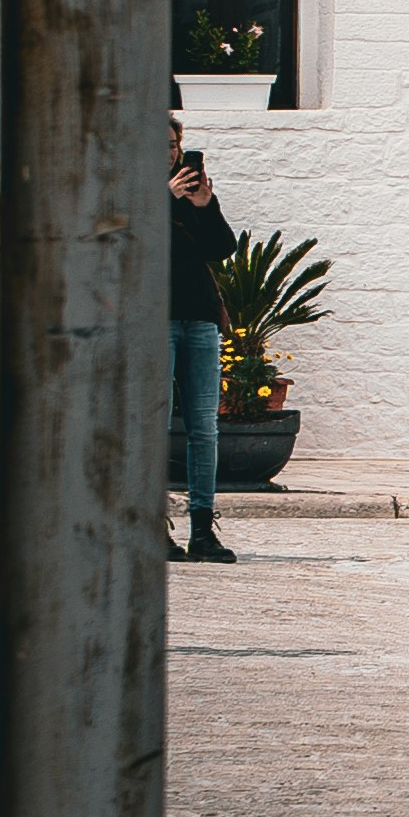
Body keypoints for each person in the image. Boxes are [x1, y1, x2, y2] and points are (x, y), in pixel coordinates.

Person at [164, 125, 233, 565]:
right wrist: (164, 199)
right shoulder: (132, 190)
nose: (168, 153)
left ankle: (202, 530)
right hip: (155, 319)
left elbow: (221, 248)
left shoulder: (193, 196)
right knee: (154, 425)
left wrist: (205, 207)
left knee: (204, 427)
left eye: (172, 145)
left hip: (201, 318)